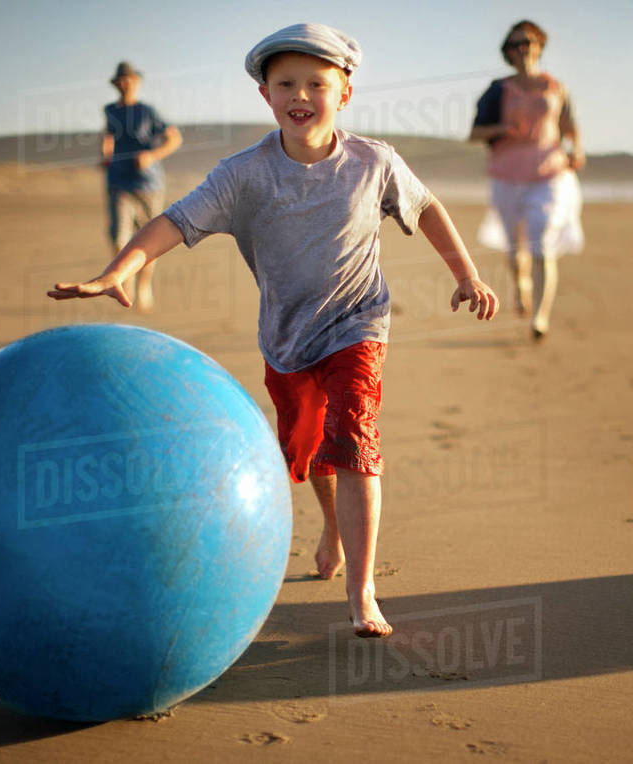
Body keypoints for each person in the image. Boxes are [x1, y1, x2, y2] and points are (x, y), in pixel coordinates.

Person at [50, 24, 499, 639]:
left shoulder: (374, 162)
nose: (301, 93)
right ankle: (332, 522)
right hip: (287, 341)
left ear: (344, 92)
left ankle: (362, 590)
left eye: (317, 82)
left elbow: (426, 211)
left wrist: (467, 273)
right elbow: (174, 222)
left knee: (357, 443)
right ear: (265, 95)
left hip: (358, 325)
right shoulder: (243, 175)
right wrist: (118, 269)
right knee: (310, 450)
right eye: (286, 82)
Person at [469, 20, 585, 341]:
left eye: (529, 43)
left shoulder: (555, 87)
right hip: (507, 174)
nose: (524, 49)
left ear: (539, 47)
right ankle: (521, 285)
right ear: (508, 51)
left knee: (541, 241)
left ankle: (540, 317)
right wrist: (502, 130)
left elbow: (569, 126)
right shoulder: (498, 90)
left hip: (549, 172)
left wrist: (577, 150)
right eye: (517, 44)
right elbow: (474, 132)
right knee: (513, 245)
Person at [102, 61, 183, 313]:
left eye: (129, 79)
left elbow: (174, 138)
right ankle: (124, 278)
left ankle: (144, 285)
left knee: (149, 238)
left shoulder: (147, 111)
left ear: (136, 82)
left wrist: (151, 156)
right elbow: (107, 135)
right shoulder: (110, 110)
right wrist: (105, 154)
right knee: (118, 236)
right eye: (121, 80)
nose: (125, 83)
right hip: (118, 179)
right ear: (116, 84)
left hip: (148, 182)